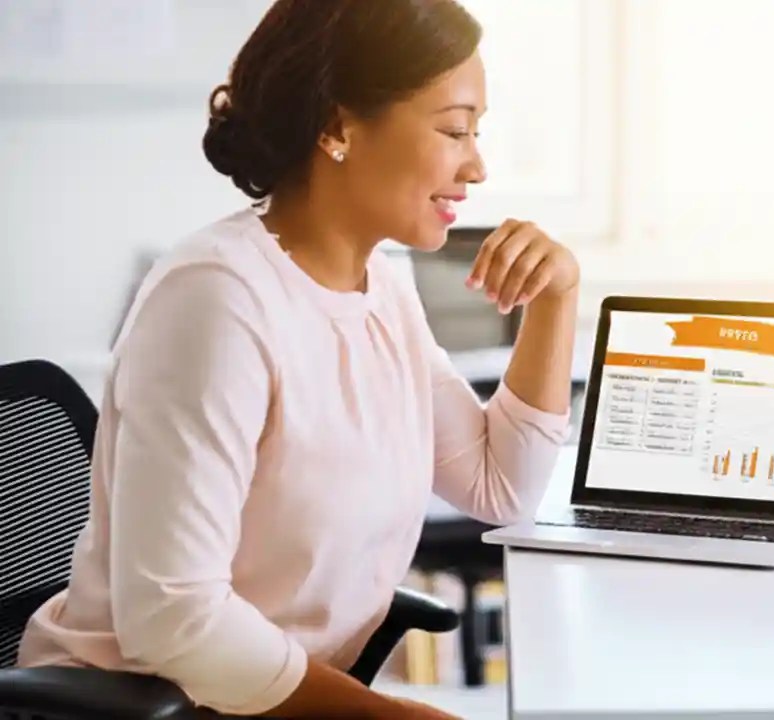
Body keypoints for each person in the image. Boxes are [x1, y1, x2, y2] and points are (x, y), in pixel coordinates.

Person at [16, 1, 578, 717]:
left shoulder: (380, 288)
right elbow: (175, 617)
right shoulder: (218, 300)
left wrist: (555, 298)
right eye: (453, 129)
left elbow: (501, 488)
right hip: (153, 704)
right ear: (339, 127)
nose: (476, 163)